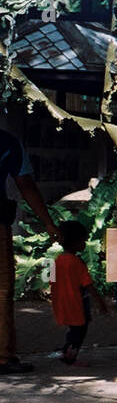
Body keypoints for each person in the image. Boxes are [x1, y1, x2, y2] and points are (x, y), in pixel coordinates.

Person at [1, 122, 63, 374]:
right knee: (2, 289)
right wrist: (48, 223)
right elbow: (26, 185)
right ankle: (2, 356)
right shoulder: (6, 142)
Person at [50, 220, 108, 366]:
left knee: (73, 328)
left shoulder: (56, 260)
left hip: (62, 302)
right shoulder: (77, 262)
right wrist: (100, 303)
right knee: (80, 330)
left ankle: (67, 351)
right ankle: (70, 355)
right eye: (83, 240)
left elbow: (51, 281)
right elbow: (88, 284)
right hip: (77, 303)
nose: (85, 243)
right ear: (76, 242)